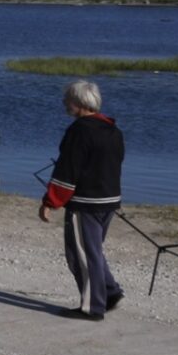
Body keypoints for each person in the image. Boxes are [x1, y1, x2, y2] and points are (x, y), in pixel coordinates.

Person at [39, 81, 125, 320]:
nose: (64, 103)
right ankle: (110, 292)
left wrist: (50, 202)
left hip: (87, 202)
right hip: (109, 199)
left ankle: (92, 307)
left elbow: (68, 170)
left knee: (81, 255)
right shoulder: (113, 130)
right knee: (93, 250)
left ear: (78, 102)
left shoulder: (79, 131)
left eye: (67, 99)